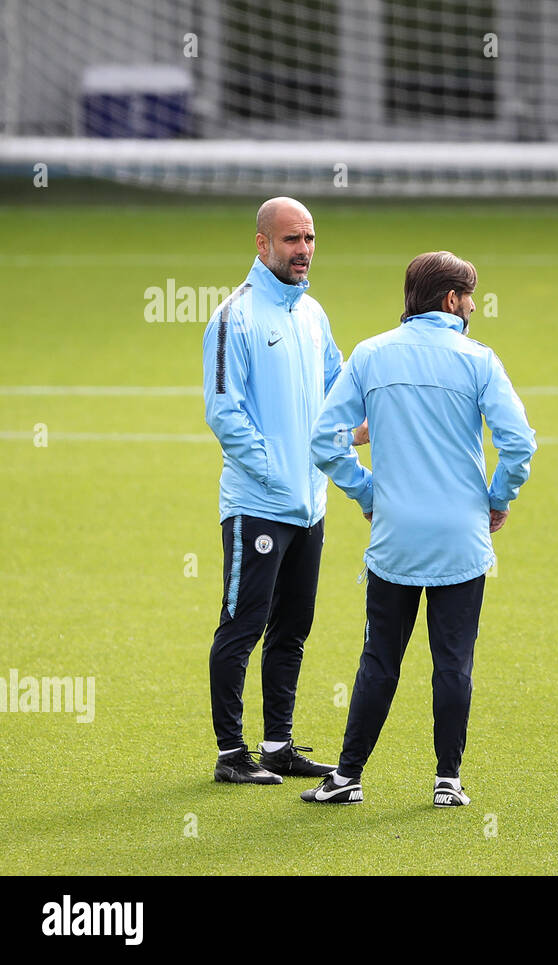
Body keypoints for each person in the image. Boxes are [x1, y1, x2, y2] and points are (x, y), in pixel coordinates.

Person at [302, 251, 536, 806]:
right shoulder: (479, 359)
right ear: (451, 300)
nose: (474, 305)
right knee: (453, 662)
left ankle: (347, 777)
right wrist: (496, 499)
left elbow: (325, 441)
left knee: (379, 659)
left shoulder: (371, 354)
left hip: (396, 537)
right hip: (461, 537)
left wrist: (367, 493)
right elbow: (520, 443)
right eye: (469, 296)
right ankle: (447, 782)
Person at [201, 196, 349, 784]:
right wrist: (276, 471)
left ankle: (277, 745)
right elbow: (224, 412)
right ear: (262, 244)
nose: (304, 251)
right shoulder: (233, 317)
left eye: (310, 238)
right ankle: (231, 754)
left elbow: (339, 386)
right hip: (258, 507)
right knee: (242, 626)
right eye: (292, 239)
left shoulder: (312, 316)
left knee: (292, 629)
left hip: (310, 507)